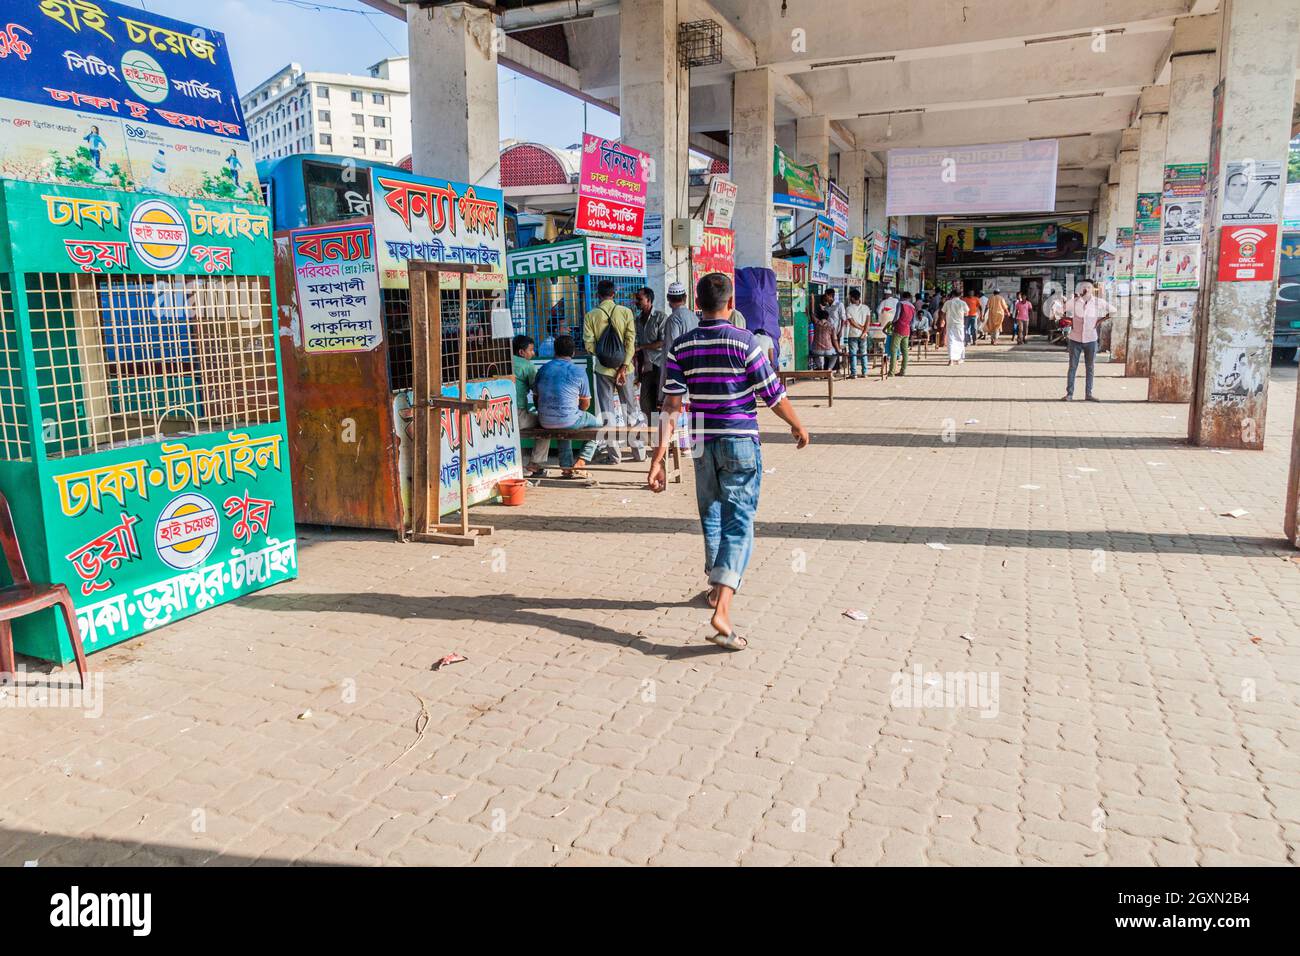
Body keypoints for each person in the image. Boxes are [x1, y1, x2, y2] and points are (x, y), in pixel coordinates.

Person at [648, 272, 810, 651]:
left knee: (712, 514)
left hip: (701, 440)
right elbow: (772, 394)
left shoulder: (682, 347)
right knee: (739, 521)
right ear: (731, 303)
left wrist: (657, 459)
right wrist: (798, 425)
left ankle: (714, 584)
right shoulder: (744, 342)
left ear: (697, 305)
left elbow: (671, 406)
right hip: (738, 440)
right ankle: (723, 608)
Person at [583, 279, 645, 462]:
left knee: (607, 412)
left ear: (597, 295)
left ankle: (614, 456)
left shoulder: (591, 315)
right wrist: (623, 366)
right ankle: (638, 452)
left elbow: (589, 345)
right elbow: (631, 342)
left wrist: (606, 358)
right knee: (631, 410)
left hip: (603, 370)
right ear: (614, 294)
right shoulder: (626, 312)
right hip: (626, 370)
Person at [534, 335, 602, 478]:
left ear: (555, 351)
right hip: (567, 419)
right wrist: (574, 412)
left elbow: (536, 398)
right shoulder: (578, 371)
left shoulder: (543, 369)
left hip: (544, 420)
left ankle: (566, 468)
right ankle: (582, 460)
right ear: (573, 353)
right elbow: (585, 404)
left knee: (563, 424)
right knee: (598, 424)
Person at [1063, 281, 1111, 401]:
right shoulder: (1074, 302)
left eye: (1088, 287)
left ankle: (1088, 394)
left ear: (1092, 289)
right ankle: (1069, 394)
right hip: (1075, 339)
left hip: (1091, 339)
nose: (1086, 289)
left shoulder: (1098, 302)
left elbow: (1113, 310)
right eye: (1083, 287)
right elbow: (1060, 310)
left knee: (1090, 367)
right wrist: (1069, 320)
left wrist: (1099, 321)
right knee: (1073, 367)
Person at [512, 334, 552, 476]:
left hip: (498, 414)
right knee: (546, 425)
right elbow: (537, 391)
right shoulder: (527, 365)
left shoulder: (503, 362)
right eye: (531, 350)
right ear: (521, 352)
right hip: (517, 415)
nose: (533, 353)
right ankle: (534, 464)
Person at [658, 281, 698, 404]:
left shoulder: (673, 319)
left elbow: (671, 350)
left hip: (679, 373)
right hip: (694, 369)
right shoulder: (694, 317)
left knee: (674, 410)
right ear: (685, 297)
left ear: (668, 299)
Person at [633, 286, 666, 424]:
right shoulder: (638, 319)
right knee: (645, 404)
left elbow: (663, 342)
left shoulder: (660, 317)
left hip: (659, 365)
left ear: (649, 300)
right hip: (646, 368)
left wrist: (642, 347)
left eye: (639, 299)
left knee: (660, 402)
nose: (637, 302)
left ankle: (662, 435)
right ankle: (654, 433)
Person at [844, 287, 870, 378]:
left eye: (850, 297)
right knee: (863, 353)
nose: (849, 298)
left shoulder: (848, 308)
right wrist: (864, 331)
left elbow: (852, 322)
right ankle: (864, 372)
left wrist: (861, 328)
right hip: (863, 335)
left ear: (852, 298)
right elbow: (868, 321)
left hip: (853, 334)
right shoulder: (866, 308)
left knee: (853, 354)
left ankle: (854, 373)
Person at [875, 288, 900, 378]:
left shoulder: (884, 302)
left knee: (887, 353)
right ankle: (894, 369)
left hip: (887, 323)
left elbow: (878, 311)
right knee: (896, 353)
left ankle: (883, 369)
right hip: (895, 328)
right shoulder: (897, 301)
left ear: (886, 295)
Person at [889, 292, 915, 376]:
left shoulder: (900, 304)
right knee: (905, 351)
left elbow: (896, 317)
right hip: (907, 330)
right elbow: (913, 322)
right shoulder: (913, 307)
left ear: (902, 296)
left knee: (893, 350)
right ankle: (903, 371)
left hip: (898, 328)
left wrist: (892, 323)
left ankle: (891, 372)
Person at [810, 296, 838, 370]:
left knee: (814, 354)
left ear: (818, 317)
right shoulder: (831, 326)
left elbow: (812, 314)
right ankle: (829, 369)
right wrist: (838, 349)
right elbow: (834, 339)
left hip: (816, 350)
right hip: (828, 350)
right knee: (834, 356)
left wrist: (812, 301)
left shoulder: (816, 323)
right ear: (827, 317)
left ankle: (819, 367)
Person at [942, 292, 969, 365]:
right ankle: (960, 359)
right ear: (960, 295)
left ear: (952, 295)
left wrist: (944, 320)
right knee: (960, 341)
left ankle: (951, 360)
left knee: (950, 342)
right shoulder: (963, 303)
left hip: (950, 325)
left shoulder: (947, 303)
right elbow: (967, 313)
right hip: (959, 325)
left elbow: (943, 313)